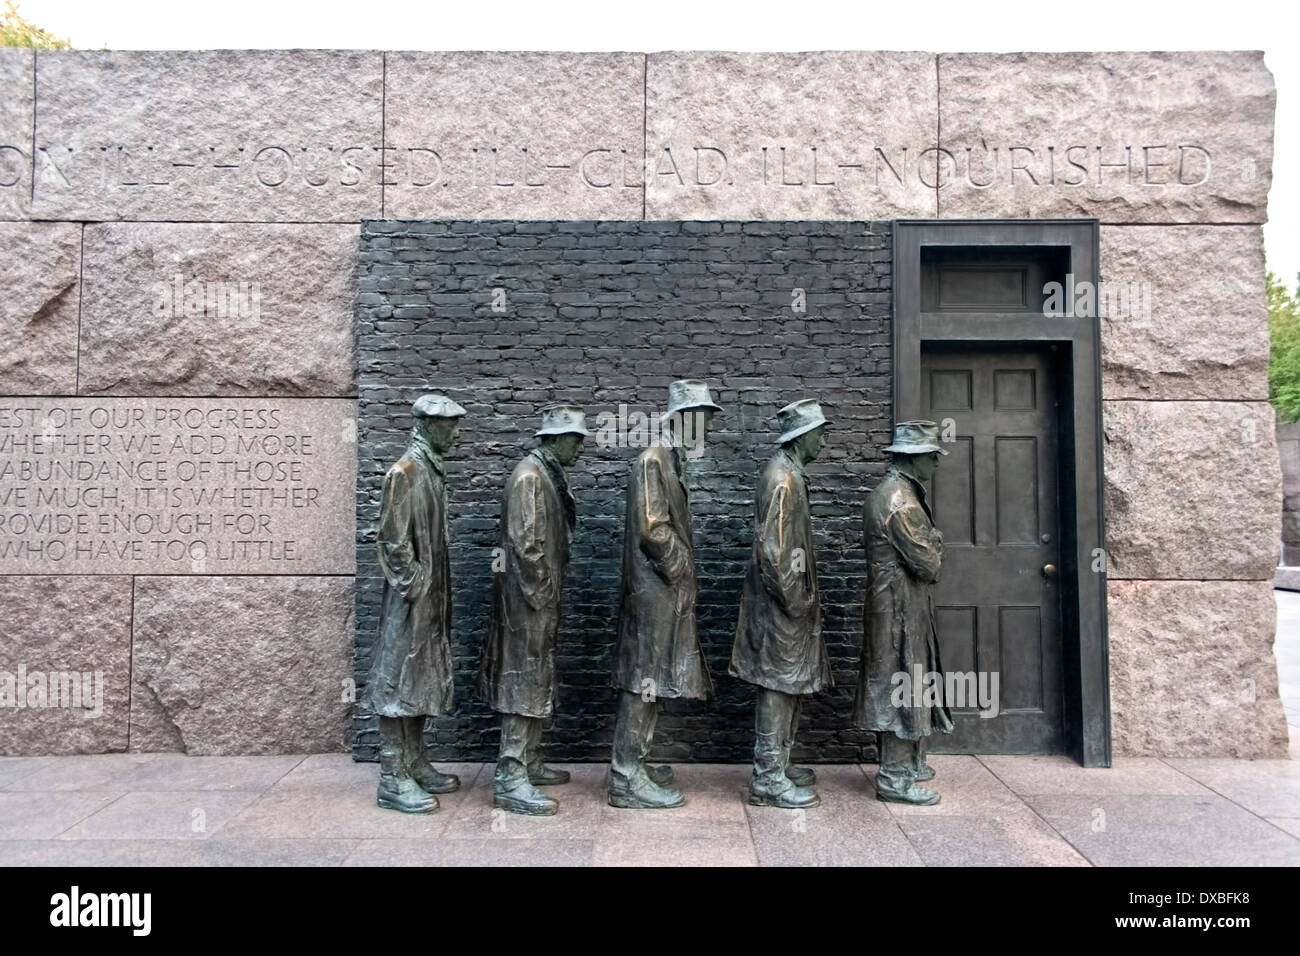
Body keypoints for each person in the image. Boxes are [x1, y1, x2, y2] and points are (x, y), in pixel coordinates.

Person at [609, 380, 722, 809]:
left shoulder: (671, 459)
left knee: (653, 679)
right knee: (644, 681)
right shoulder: (653, 459)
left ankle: (636, 759)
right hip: (654, 592)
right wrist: (684, 570)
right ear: (683, 418)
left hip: (663, 590)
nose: (708, 428)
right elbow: (653, 530)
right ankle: (624, 776)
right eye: (704, 418)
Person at [478, 405, 589, 816]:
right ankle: (510, 775)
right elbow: (526, 547)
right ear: (554, 438)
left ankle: (529, 758)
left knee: (536, 676)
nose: (580, 447)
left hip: (538, 598)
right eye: (575, 439)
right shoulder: (529, 477)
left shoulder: (546, 473)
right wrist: (542, 594)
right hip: (527, 602)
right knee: (522, 680)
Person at [363, 393, 467, 814]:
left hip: (430, 596)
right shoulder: (404, 472)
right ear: (427, 425)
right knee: (398, 678)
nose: (457, 433)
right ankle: (392, 774)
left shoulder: (432, 470)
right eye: (450, 425)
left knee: (421, 677)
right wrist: (417, 585)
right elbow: (391, 539)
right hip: (411, 600)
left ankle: (415, 760)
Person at [730, 399, 832, 809]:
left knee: (788, 684)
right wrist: (795, 602)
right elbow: (772, 550)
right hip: (780, 606)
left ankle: (779, 764)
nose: (824, 442)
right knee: (777, 685)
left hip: (786, 603)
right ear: (801, 437)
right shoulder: (782, 480)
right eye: (820, 434)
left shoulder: (789, 474)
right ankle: (768, 777)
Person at [855, 420, 953, 805]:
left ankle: (906, 762)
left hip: (902, 606)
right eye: (932, 457)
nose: (937, 465)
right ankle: (895, 777)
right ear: (914, 459)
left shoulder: (899, 492)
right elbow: (929, 565)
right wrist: (937, 543)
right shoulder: (900, 501)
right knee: (899, 684)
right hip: (898, 610)